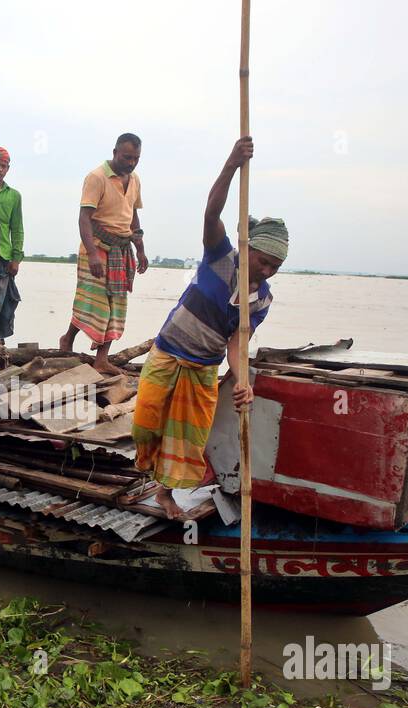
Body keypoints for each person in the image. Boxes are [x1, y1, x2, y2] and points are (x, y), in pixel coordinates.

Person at [131, 137, 287, 519]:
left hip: (203, 367)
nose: (265, 270)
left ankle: (166, 493)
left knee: (186, 440)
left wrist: (242, 380)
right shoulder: (222, 259)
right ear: (249, 248)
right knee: (145, 422)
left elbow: (236, 344)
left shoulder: (262, 301)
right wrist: (232, 164)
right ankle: (146, 476)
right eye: (263, 260)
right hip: (168, 352)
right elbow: (211, 213)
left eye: (274, 267)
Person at [60, 134, 150, 375]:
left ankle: (101, 358)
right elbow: (84, 218)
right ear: (115, 152)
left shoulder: (135, 180)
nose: (131, 162)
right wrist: (92, 253)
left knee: (115, 306)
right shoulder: (96, 177)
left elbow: (133, 217)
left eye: (136, 158)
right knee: (91, 302)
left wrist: (140, 249)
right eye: (126, 157)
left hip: (122, 250)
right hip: (98, 247)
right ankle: (67, 339)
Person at [0, 146, 25, 342]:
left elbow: (17, 228)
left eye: (4, 166)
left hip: (4, 257)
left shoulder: (14, 196)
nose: (0, 170)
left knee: (1, 303)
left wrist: (17, 258)